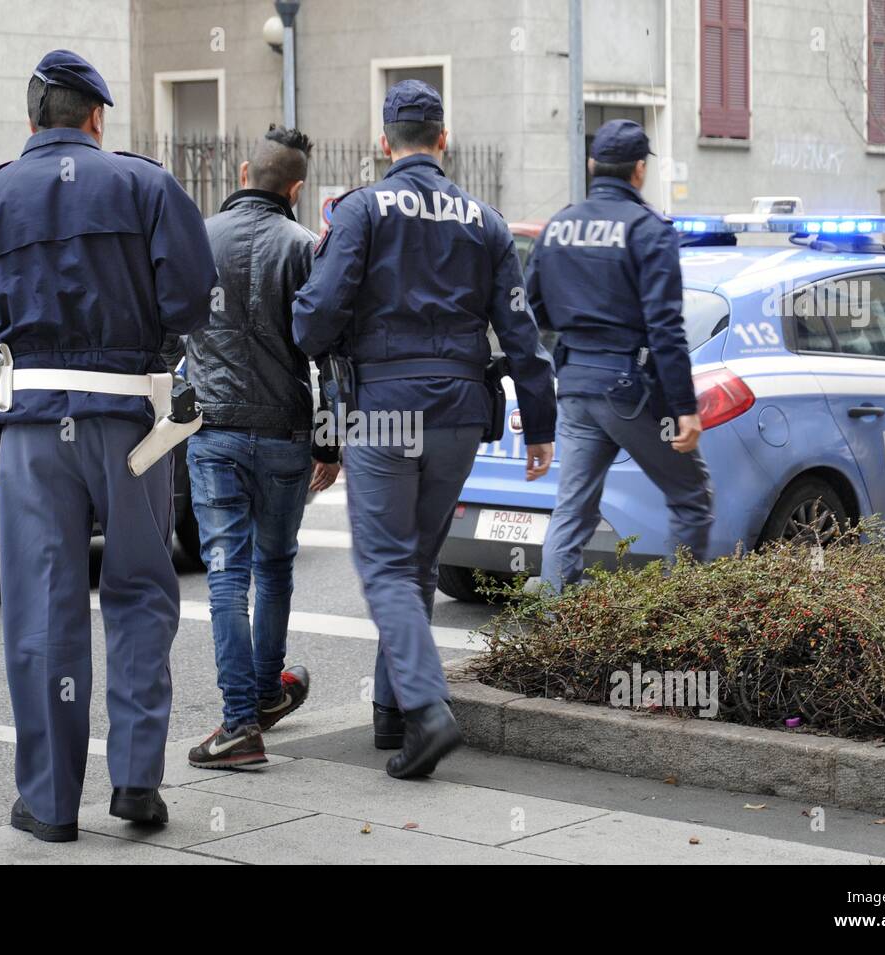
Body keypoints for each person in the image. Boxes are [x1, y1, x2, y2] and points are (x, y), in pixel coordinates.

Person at [0, 50, 216, 842]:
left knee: (44, 609)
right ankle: (137, 786)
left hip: (29, 436)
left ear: (31, 123)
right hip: (133, 428)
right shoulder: (149, 186)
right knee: (141, 596)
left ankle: (51, 804)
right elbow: (193, 301)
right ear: (95, 118)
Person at [293, 80, 557, 779]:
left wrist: (314, 337)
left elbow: (316, 316)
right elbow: (521, 332)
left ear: (387, 143)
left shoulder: (363, 210)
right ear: (443, 139)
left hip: (388, 407)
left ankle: (429, 707)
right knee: (415, 561)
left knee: (383, 563)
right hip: (462, 415)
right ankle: (395, 715)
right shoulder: (485, 220)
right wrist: (540, 427)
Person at [177, 125, 340, 769]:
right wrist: (331, 440)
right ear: (295, 189)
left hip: (214, 432)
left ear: (244, 171)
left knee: (227, 574)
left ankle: (240, 723)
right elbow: (328, 349)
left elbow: (170, 327)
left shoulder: (197, 242)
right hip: (286, 434)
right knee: (275, 568)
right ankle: (267, 694)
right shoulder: (306, 248)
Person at [528, 119, 714, 592]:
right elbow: (666, 328)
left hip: (573, 384)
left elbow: (534, 307)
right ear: (638, 170)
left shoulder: (558, 226)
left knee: (572, 512)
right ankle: (678, 622)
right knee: (691, 496)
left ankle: (552, 626)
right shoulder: (649, 230)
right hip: (627, 389)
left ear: (593, 166)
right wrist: (684, 409)